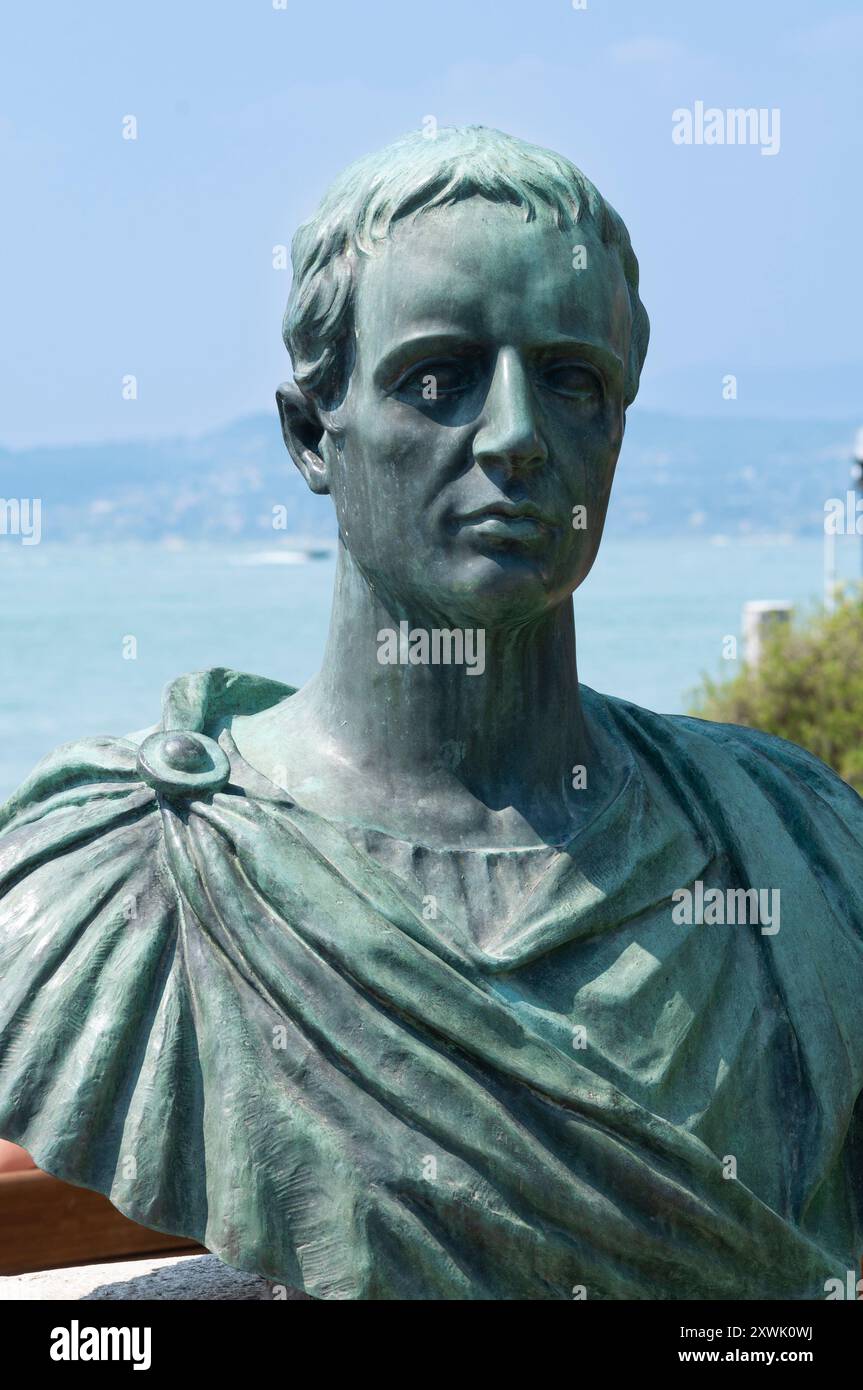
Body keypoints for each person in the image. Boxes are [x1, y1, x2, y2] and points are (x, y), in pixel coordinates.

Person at [1, 127, 861, 1300]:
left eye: (571, 380)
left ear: (615, 426)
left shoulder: (801, 853)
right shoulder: (107, 886)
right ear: (311, 434)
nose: (513, 436)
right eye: (436, 377)